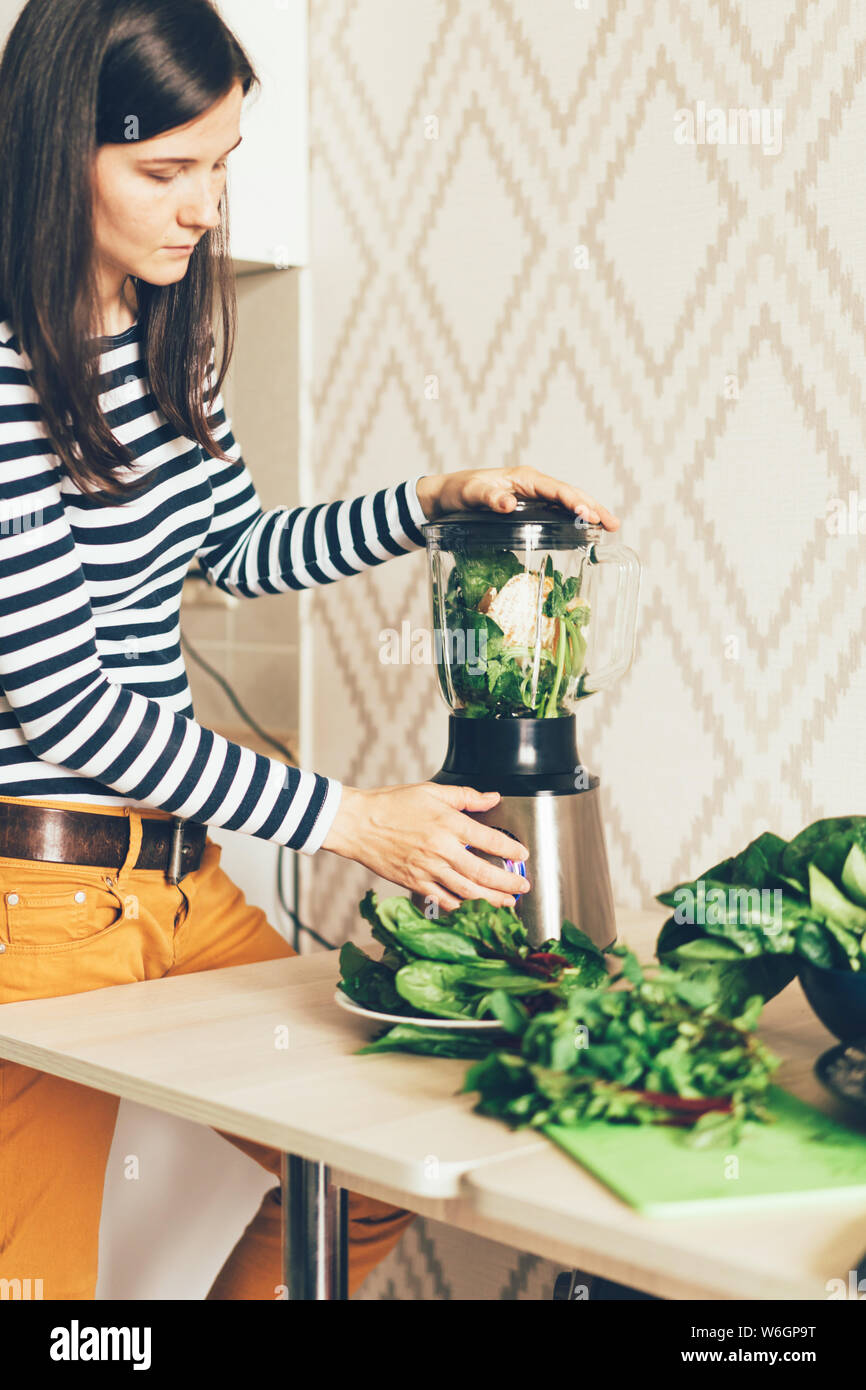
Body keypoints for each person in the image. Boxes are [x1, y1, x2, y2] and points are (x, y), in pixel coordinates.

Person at [0, 0, 620, 1301]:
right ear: (54, 152)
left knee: (371, 1166)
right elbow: (65, 701)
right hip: (36, 905)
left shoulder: (165, 326)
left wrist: (432, 501)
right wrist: (347, 819)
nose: (202, 208)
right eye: (165, 171)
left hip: (180, 875)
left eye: (220, 166)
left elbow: (236, 546)